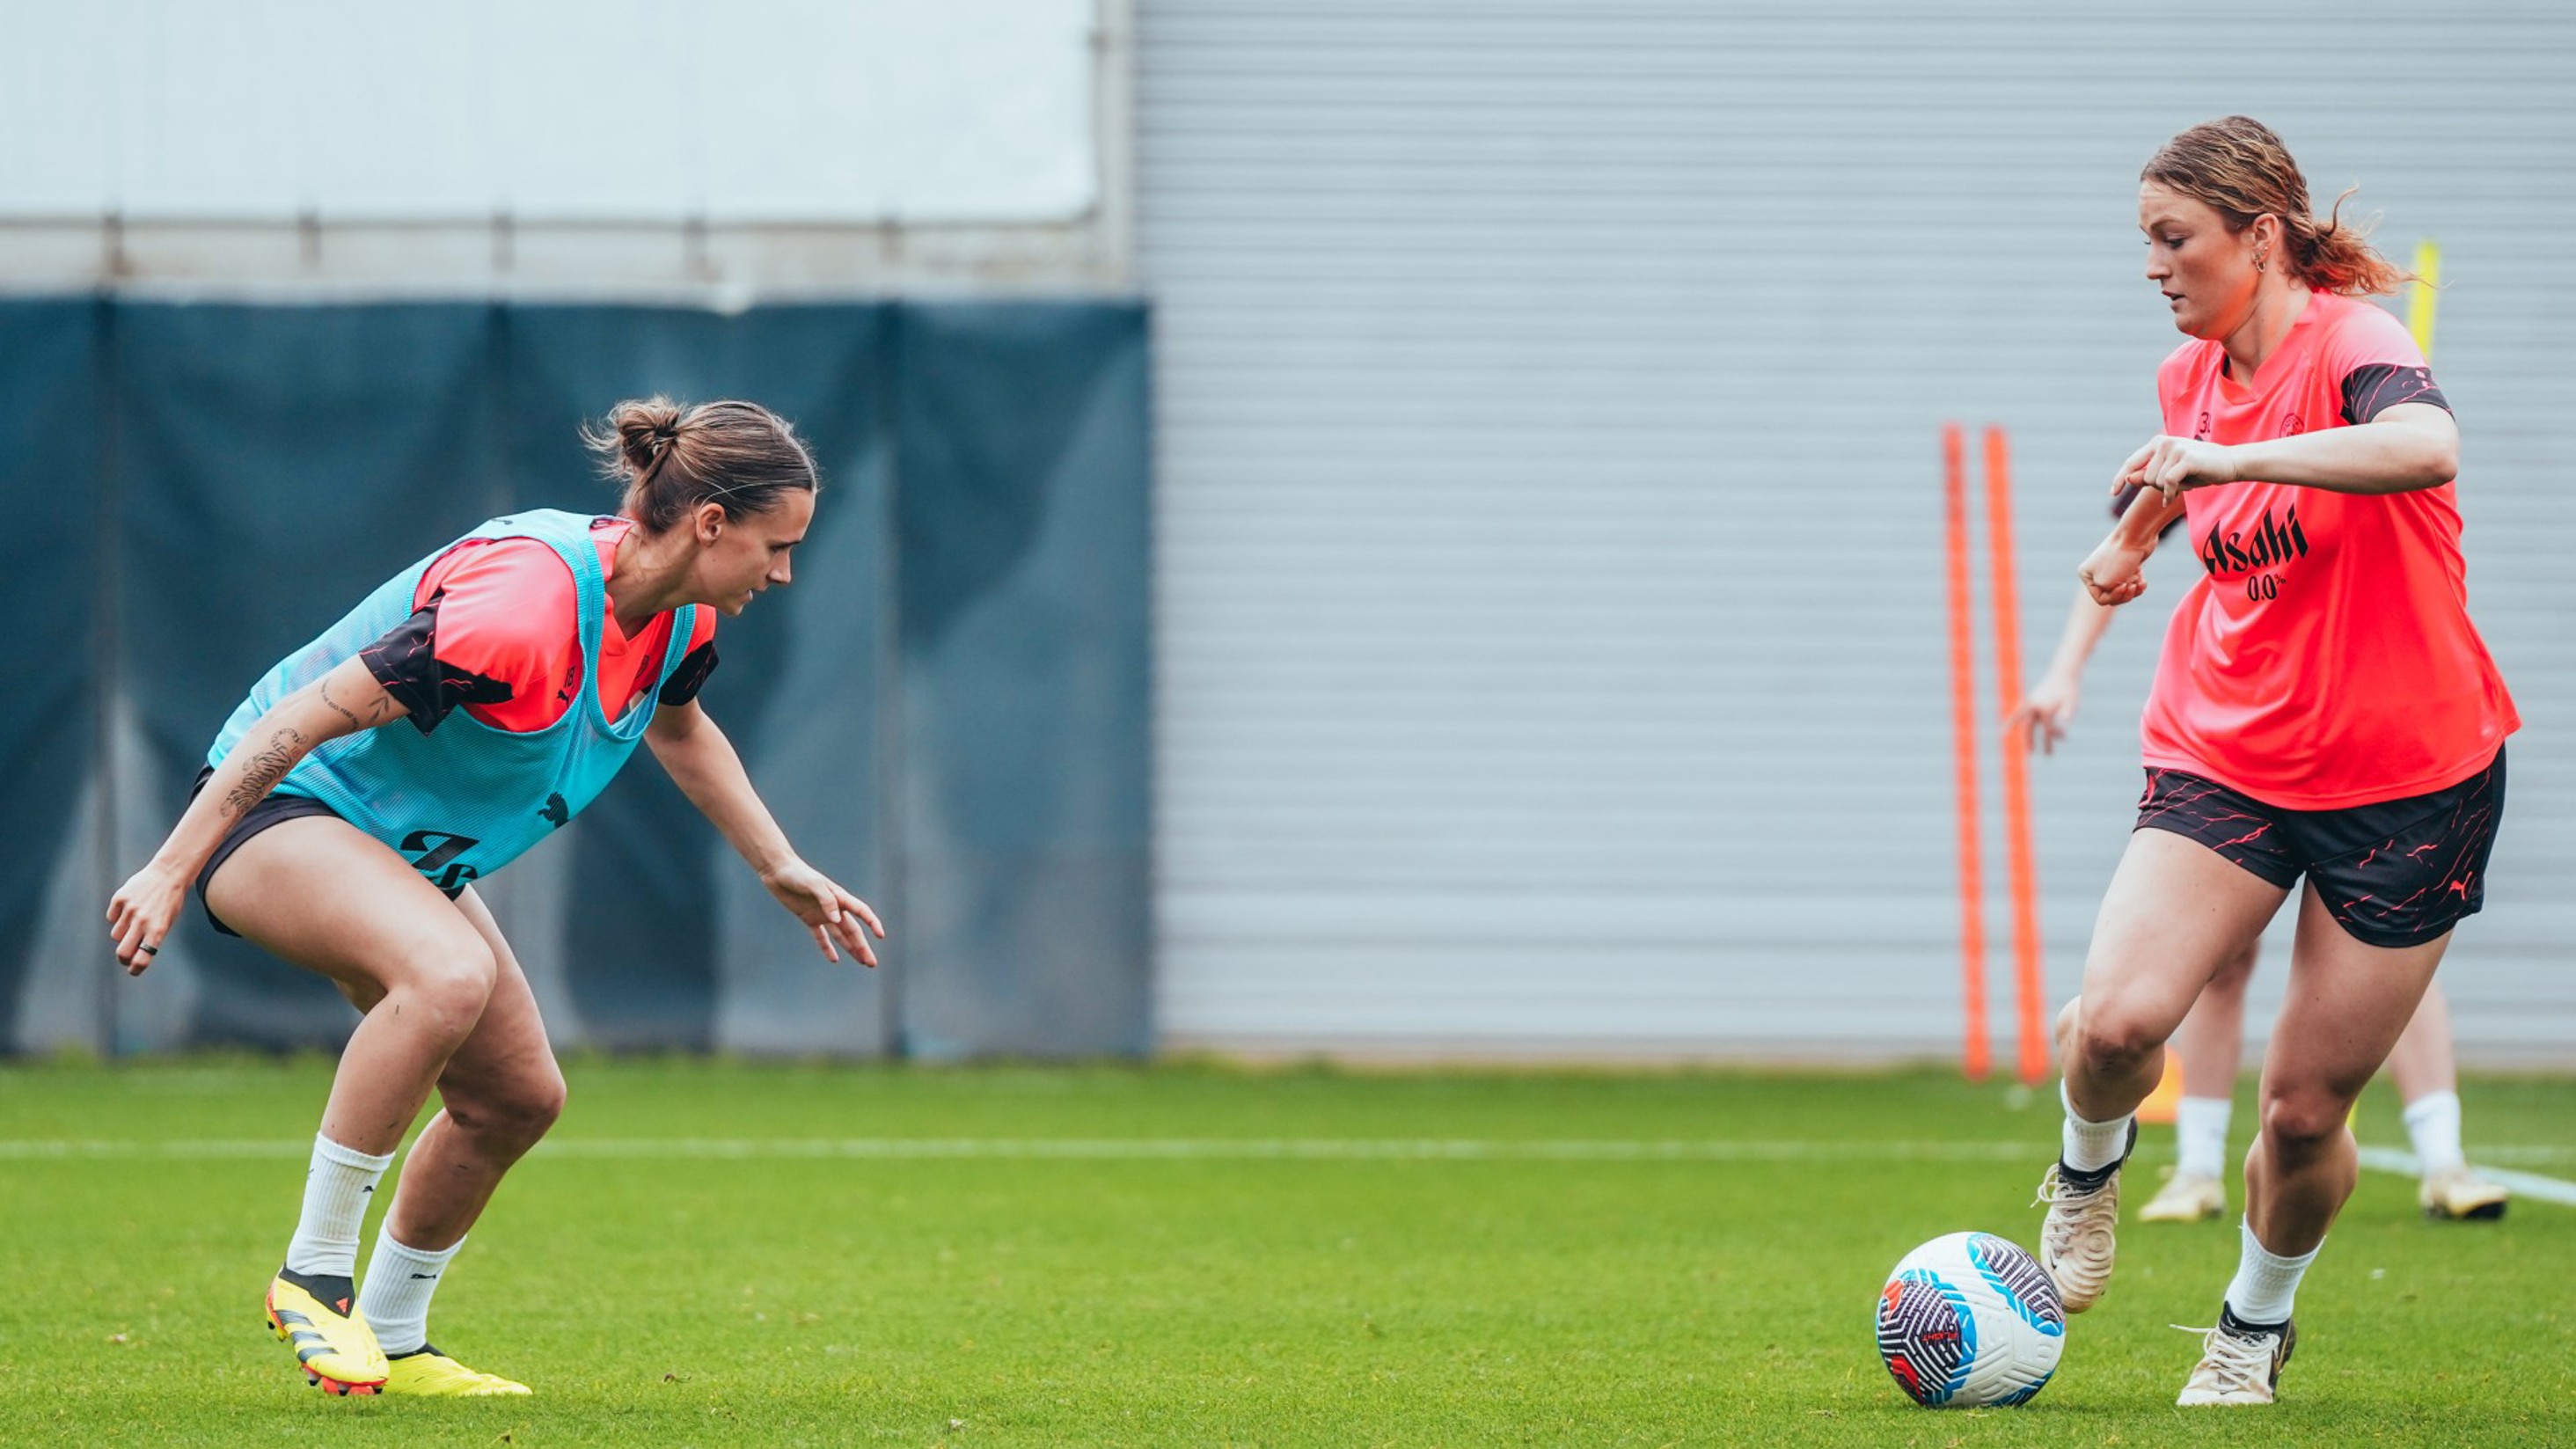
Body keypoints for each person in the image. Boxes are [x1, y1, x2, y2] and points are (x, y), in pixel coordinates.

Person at [105, 399, 885, 1398]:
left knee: (518, 1099)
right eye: (777, 547)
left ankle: (392, 1334)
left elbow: (680, 728)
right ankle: (313, 1275)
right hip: (278, 816)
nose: (782, 573)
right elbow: (298, 721)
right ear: (709, 524)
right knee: (445, 974)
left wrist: (779, 863)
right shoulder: (518, 611)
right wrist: (172, 865)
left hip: (392, 850)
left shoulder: (673, 615)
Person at [2032, 116, 2515, 1407]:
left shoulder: (2357, 341)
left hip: (2410, 777)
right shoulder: (2187, 375)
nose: (2153, 264)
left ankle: (2253, 1321)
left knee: (2303, 1111)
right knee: (2123, 1018)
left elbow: (2428, 448)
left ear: (2258, 236)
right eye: (2145, 238)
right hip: (2229, 747)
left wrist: (2229, 459)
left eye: (2171, 236)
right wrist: (2126, 549)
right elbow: (2173, 480)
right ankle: (2086, 1169)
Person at [2014, 531, 2508, 1226]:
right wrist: (2064, 668)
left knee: (2383, 965)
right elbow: (2125, 538)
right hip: (2244, 738)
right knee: (2209, 968)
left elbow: (2426, 451)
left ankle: (2443, 1156)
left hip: (2376, 745)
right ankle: (2194, 1165)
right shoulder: (2201, 435)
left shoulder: (2373, 429)